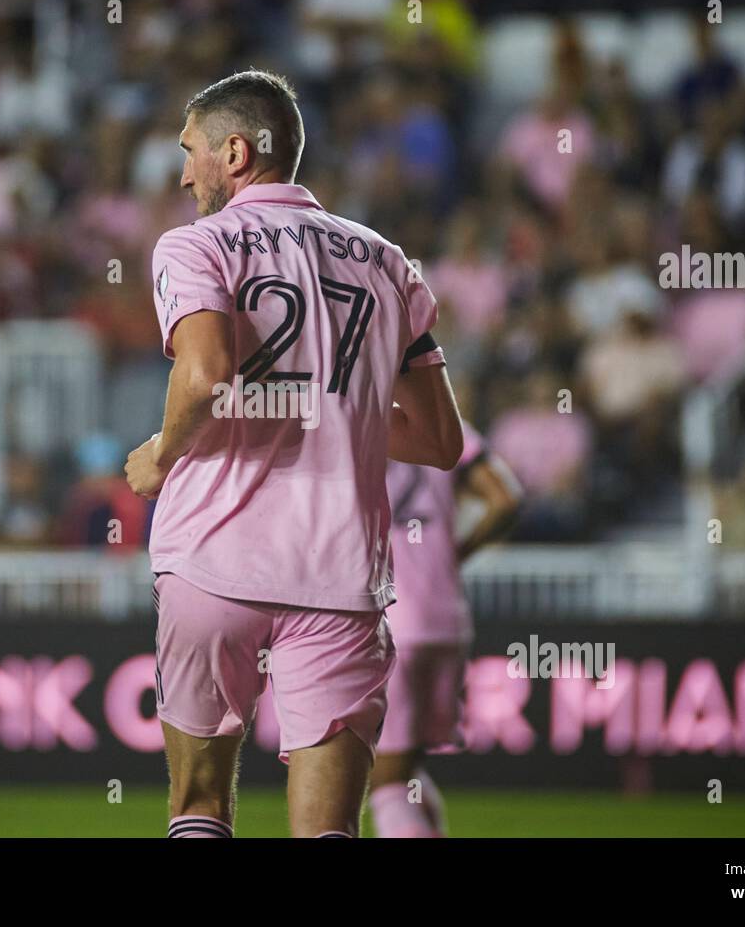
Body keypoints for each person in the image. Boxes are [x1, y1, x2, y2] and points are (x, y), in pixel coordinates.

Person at [124, 69, 464, 838]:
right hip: (339, 576)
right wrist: (332, 409)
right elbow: (442, 441)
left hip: (211, 559)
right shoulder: (385, 260)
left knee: (200, 806)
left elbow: (206, 373)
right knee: (328, 830)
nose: (182, 173)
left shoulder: (193, 246)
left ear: (235, 152)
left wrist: (161, 454)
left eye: (190, 151)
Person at [370, 421, 521, 837]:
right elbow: (505, 498)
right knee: (410, 770)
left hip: (388, 620)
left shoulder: (355, 409)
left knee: (388, 783)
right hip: (446, 619)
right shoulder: (446, 422)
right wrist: (453, 553)